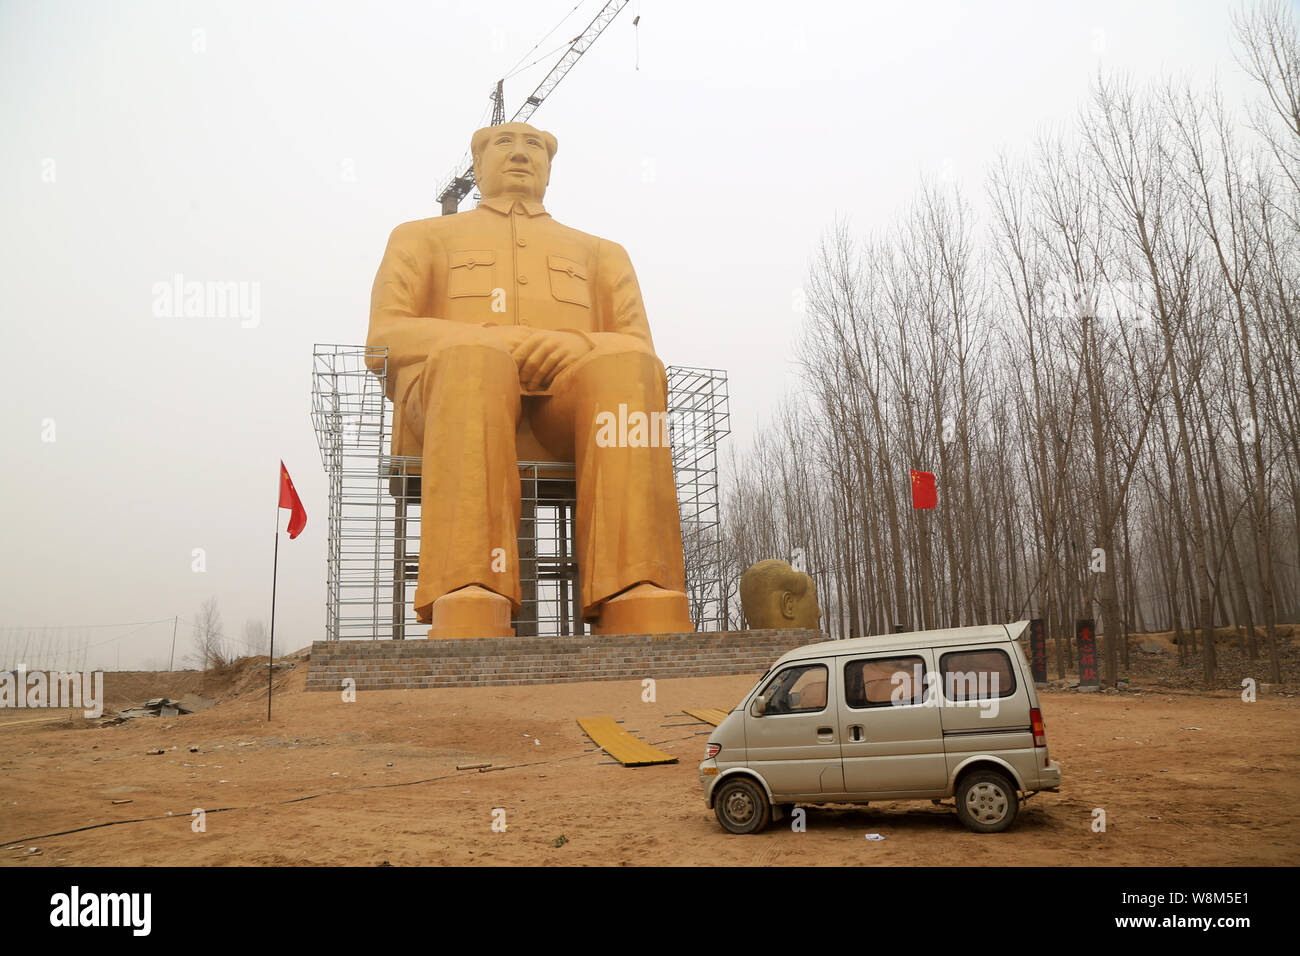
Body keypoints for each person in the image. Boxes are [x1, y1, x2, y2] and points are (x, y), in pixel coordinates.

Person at [366, 122, 693, 638]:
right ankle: (470, 586)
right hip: (450, 402)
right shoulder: (421, 237)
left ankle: (632, 587)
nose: (520, 153)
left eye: (534, 146)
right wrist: (488, 339)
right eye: (504, 143)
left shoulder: (601, 253)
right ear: (476, 165)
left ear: (550, 166)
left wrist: (580, 344)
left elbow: (640, 348)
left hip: (562, 411)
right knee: (474, 359)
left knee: (627, 372)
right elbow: (383, 337)